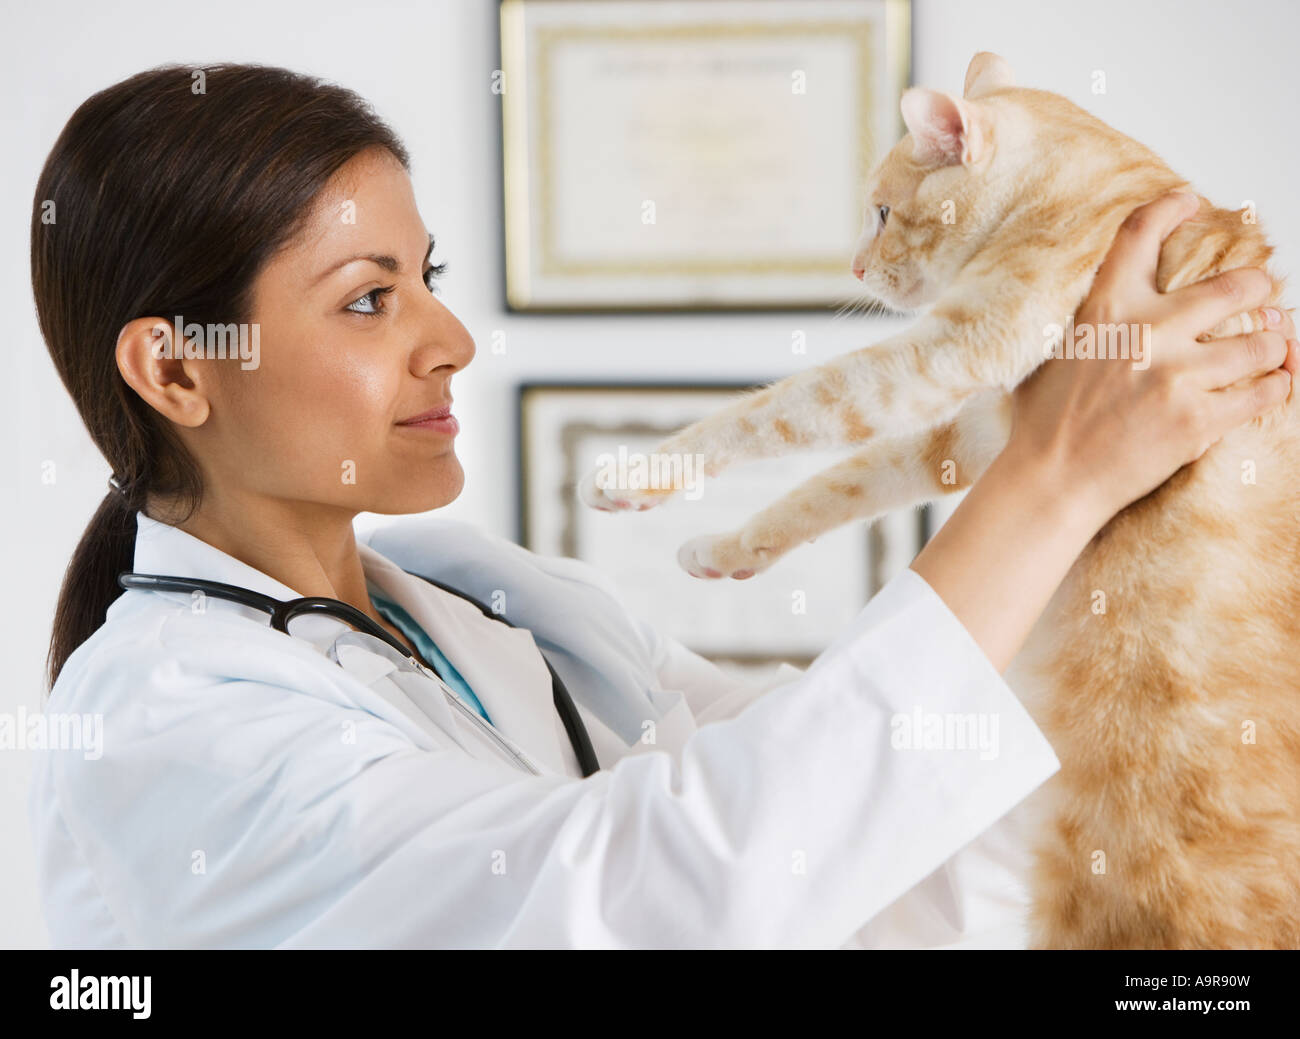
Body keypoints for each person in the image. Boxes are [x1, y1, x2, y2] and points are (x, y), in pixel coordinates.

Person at [26, 63, 1297, 949]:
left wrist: (1181, 542)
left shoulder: (490, 599)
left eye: (430, 278)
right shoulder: (165, 722)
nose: (451, 339)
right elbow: (654, 900)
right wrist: (1056, 474)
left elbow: (869, 824)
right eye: (370, 299)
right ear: (180, 368)